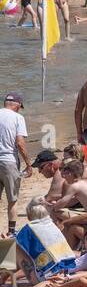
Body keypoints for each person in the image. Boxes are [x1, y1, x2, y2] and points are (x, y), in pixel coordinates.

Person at [0, 92, 31, 236]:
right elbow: (20, 142)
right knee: (12, 199)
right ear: (17, 104)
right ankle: (11, 232)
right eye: (20, 106)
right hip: (9, 161)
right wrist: (28, 164)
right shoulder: (18, 117)